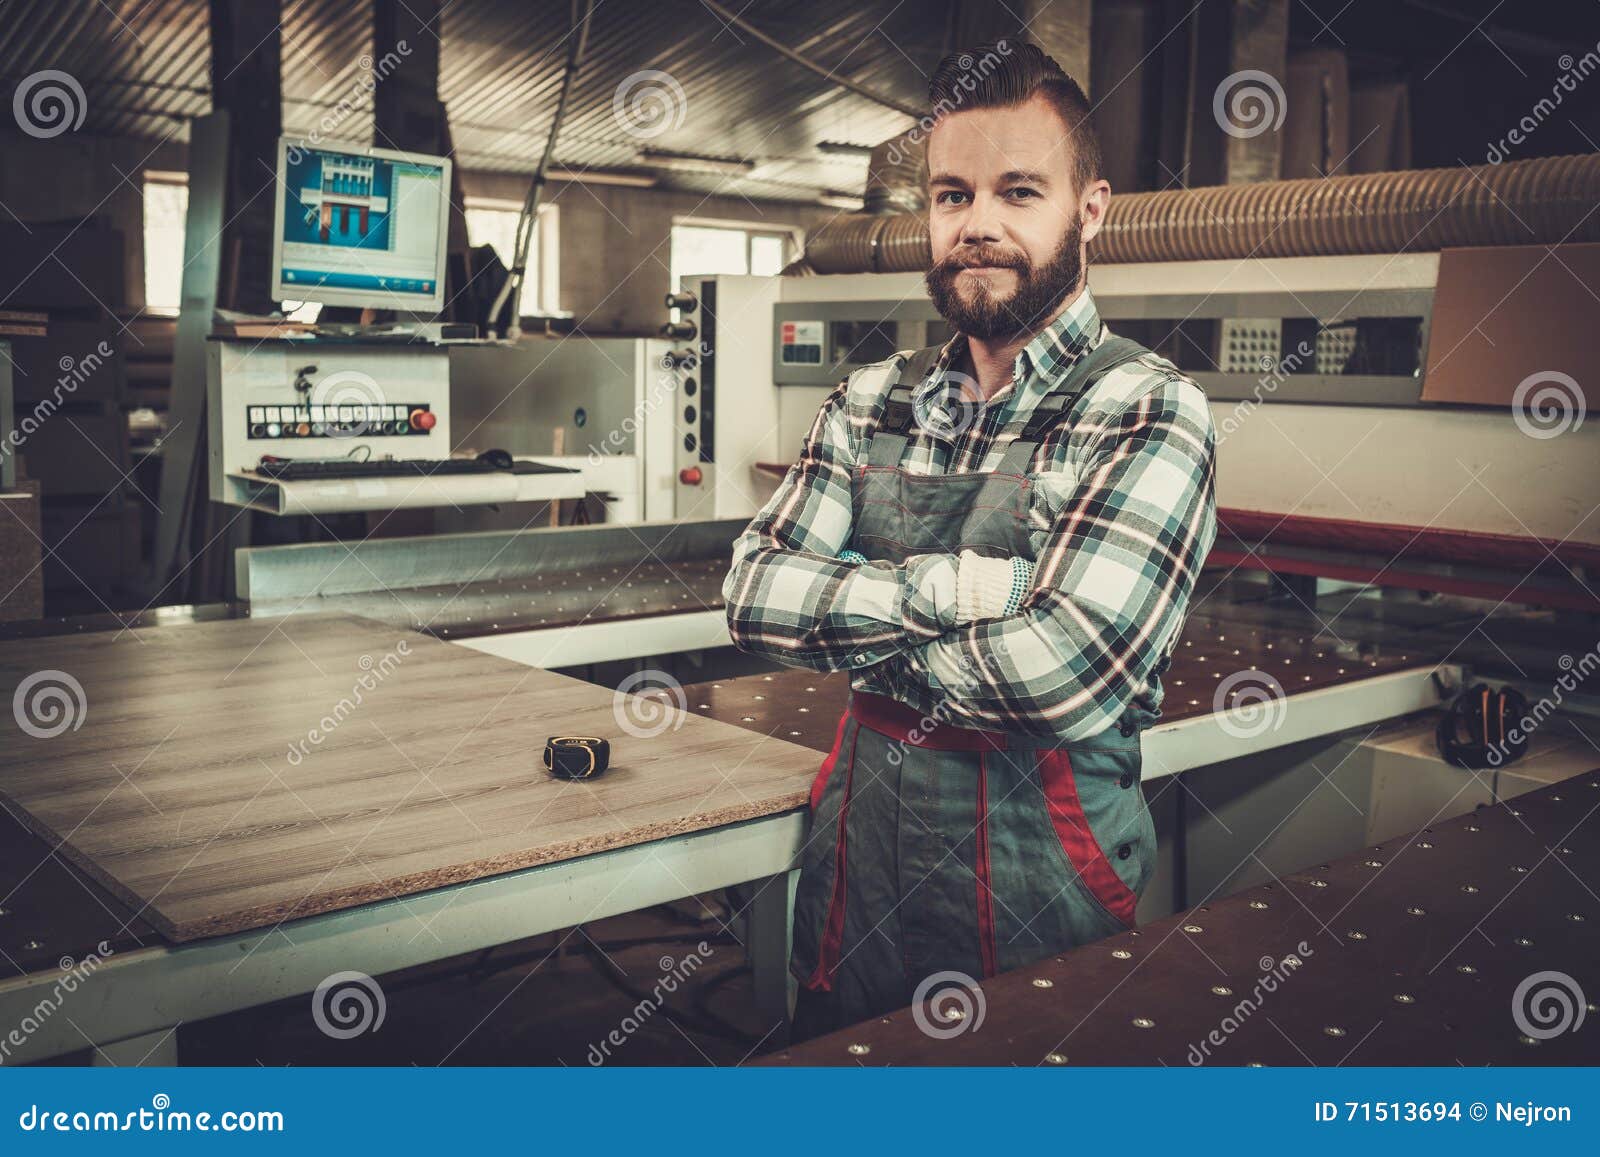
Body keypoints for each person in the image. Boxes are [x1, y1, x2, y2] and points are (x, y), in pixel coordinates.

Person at [722, 40, 1219, 1041]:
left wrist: (857, 600)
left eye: (1018, 191)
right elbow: (752, 596)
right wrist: (974, 591)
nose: (976, 226)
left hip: (1045, 868)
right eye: (951, 194)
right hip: (856, 866)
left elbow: (1061, 674)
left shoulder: (1149, 411)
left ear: (1089, 210)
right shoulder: (870, 399)